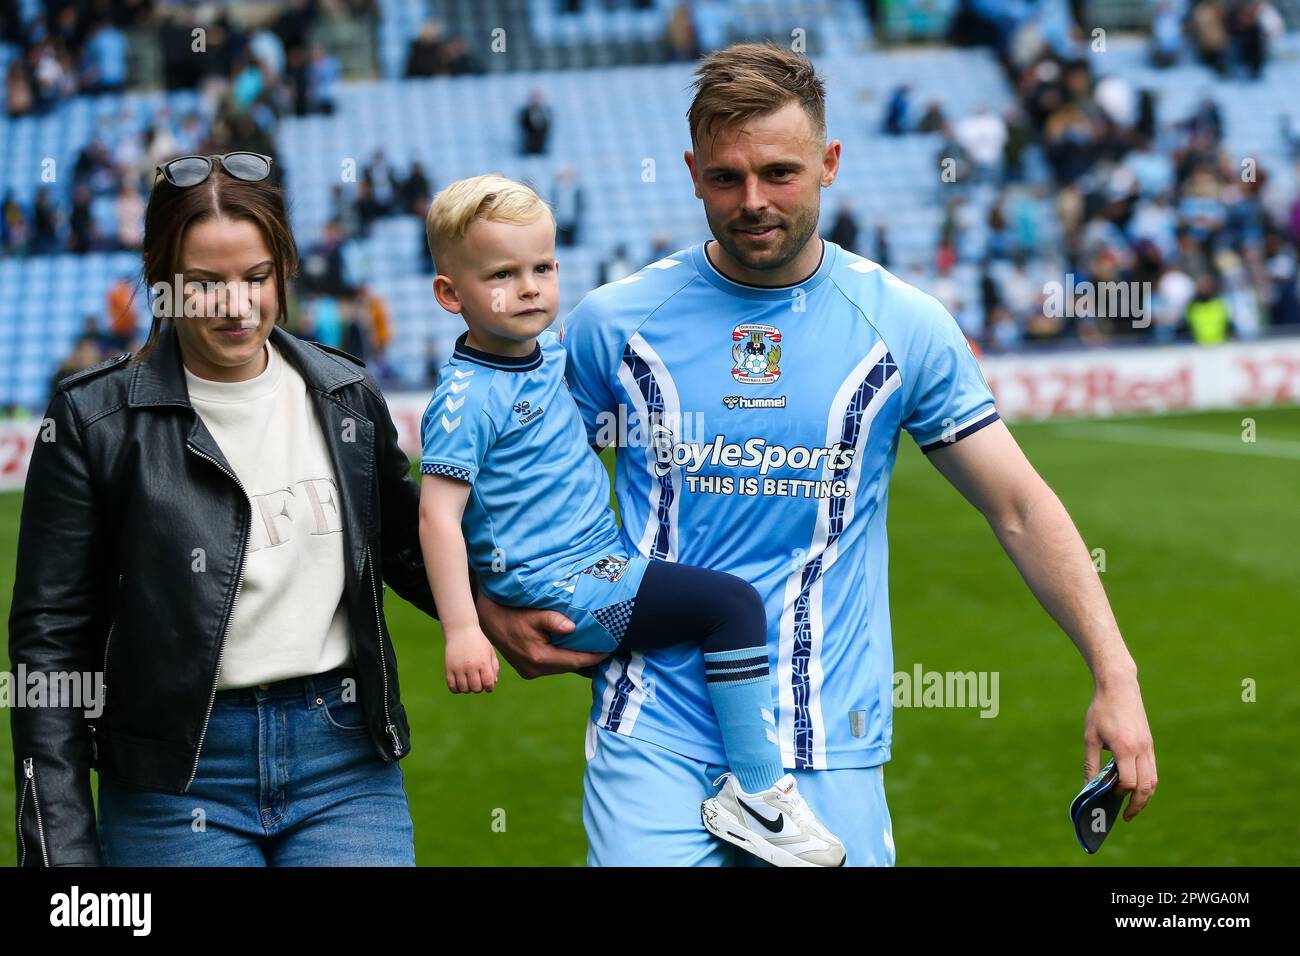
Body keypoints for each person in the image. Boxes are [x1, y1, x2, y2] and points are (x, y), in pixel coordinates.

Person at [474, 42, 1158, 866]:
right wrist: (484, 606)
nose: (753, 201)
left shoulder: (903, 326)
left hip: (828, 739)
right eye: (726, 178)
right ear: (692, 172)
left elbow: (1018, 506)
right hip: (653, 731)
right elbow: (506, 473)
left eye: (780, 173)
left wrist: (1114, 673)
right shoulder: (614, 322)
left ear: (830, 163)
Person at [9, 151, 448, 866]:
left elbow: (418, 553)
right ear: (163, 285)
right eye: (205, 285)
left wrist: (580, 614)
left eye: (256, 278)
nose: (237, 305)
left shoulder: (347, 395)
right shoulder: (91, 422)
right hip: (172, 780)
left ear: (283, 270)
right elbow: (50, 648)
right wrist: (58, 847)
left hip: (344, 761)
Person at [417, 174, 845, 866]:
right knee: (729, 606)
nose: (530, 287)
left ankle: (683, 774)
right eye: (502, 274)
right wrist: (466, 628)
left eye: (543, 268)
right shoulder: (466, 399)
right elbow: (437, 517)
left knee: (696, 620)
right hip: (560, 587)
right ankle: (760, 796)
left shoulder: (547, 355)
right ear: (449, 294)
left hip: (596, 561)